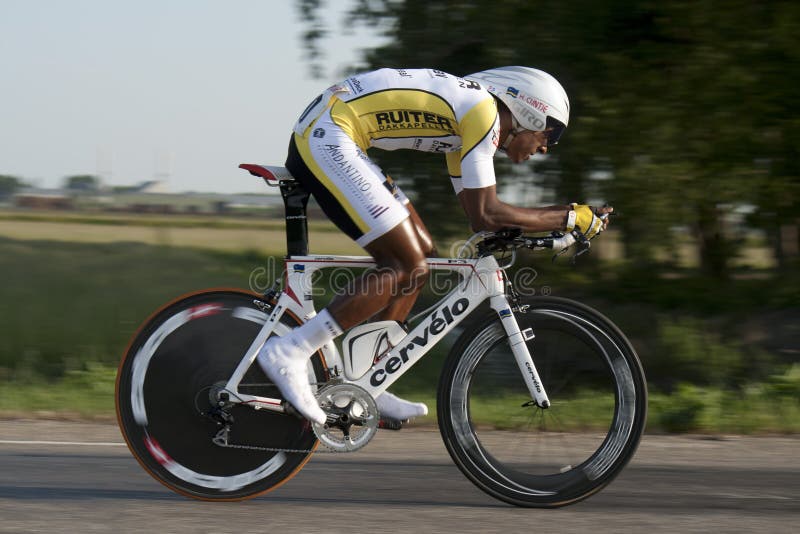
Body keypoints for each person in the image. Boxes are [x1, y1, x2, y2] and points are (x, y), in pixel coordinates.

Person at [257, 66, 612, 425]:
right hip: (328, 136)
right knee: (403, 264)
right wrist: (567, 217)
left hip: (335, 133)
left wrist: (548, 222)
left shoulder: (470, 127)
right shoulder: (483, 113)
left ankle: (365, 384)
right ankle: (293, 349)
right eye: (550, 133)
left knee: (422, 255)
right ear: (528, 111)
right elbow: (489, 213)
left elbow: (479, 216)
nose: (546, 147)